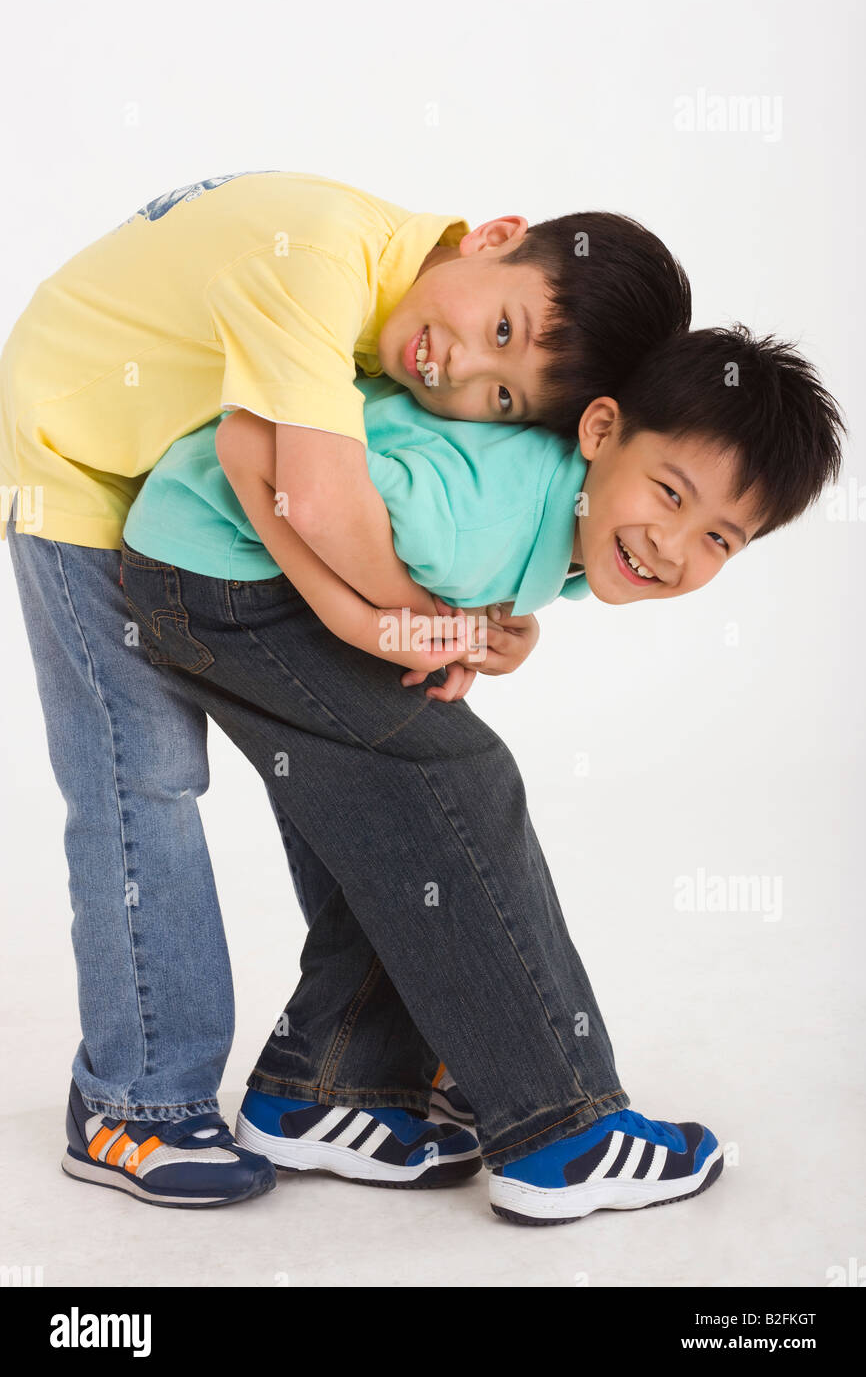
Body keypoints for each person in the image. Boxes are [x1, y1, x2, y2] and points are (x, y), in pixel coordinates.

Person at [1, 168, 695, 1214]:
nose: (462, 368)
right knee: (137, 776)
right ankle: (132, 1103)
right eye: (500, 327)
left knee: (358, 754)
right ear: (493, 233)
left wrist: (463, 621)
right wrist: (427, 624)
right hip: (70, 459)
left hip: (179, 488)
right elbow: (316, 496)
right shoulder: (319, 261)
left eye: (503, 397)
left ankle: (333, 1080)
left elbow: (284, 466)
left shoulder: (404, 310)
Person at [115, 323, 842, 1223]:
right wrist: (387, 623)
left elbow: (494, 553)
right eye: (669, 492)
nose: (671, 543)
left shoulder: (555, 503)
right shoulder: (471, 508)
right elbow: (280, 465)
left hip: (225, 573)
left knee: (400, 810)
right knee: (459, 778)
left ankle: (327, 1085)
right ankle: (559, 1128)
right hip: (213, 574)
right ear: (602, 429)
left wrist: (484, 620)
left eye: (721, 540)